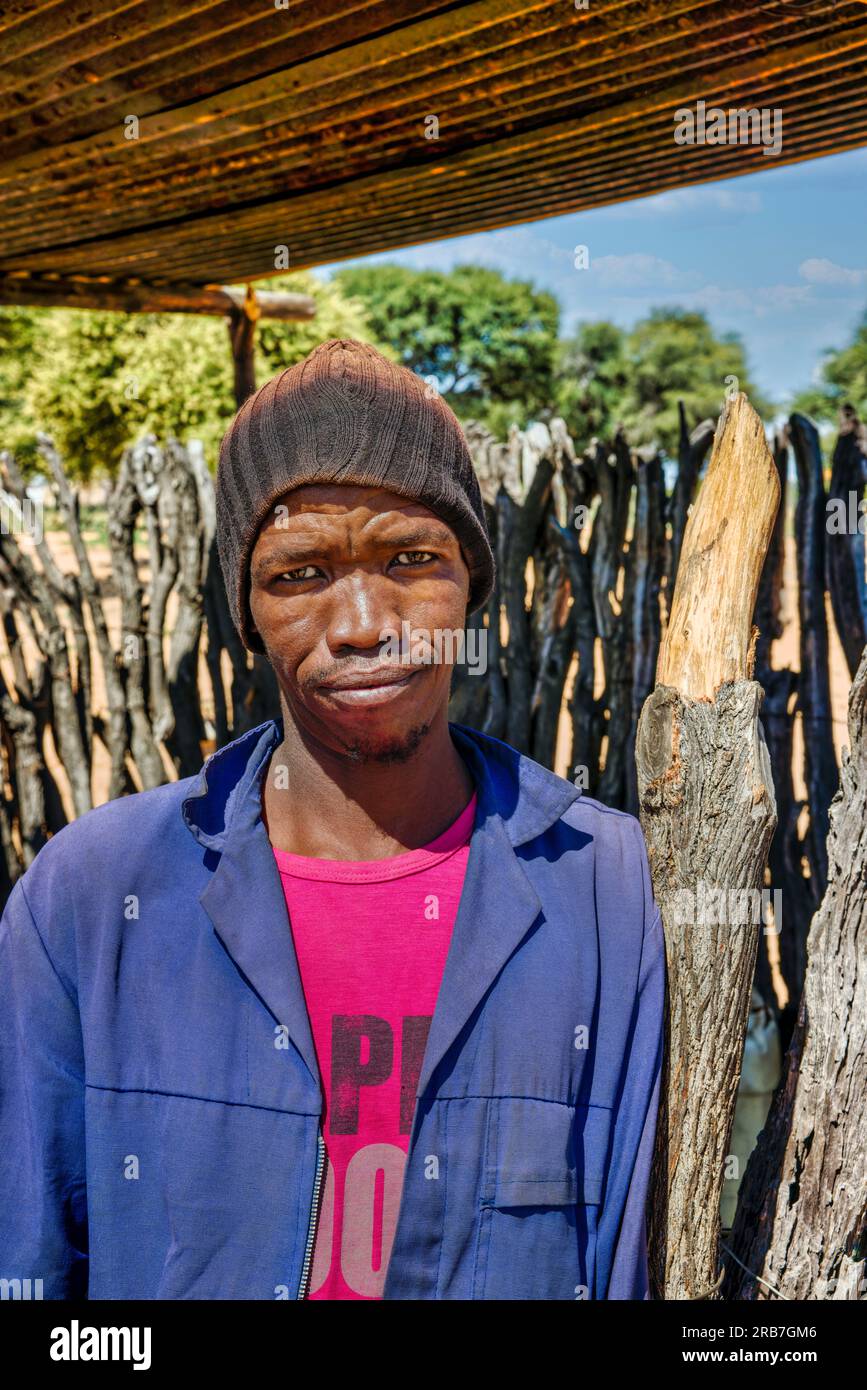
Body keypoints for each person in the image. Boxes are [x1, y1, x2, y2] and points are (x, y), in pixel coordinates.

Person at [0, 339, 665, 1300]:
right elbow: (27, 1265)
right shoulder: (94, 899)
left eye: (411, 559)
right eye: (300, 574)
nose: (362, 622)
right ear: (246, 611)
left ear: (471, 584)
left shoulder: (604, 890)